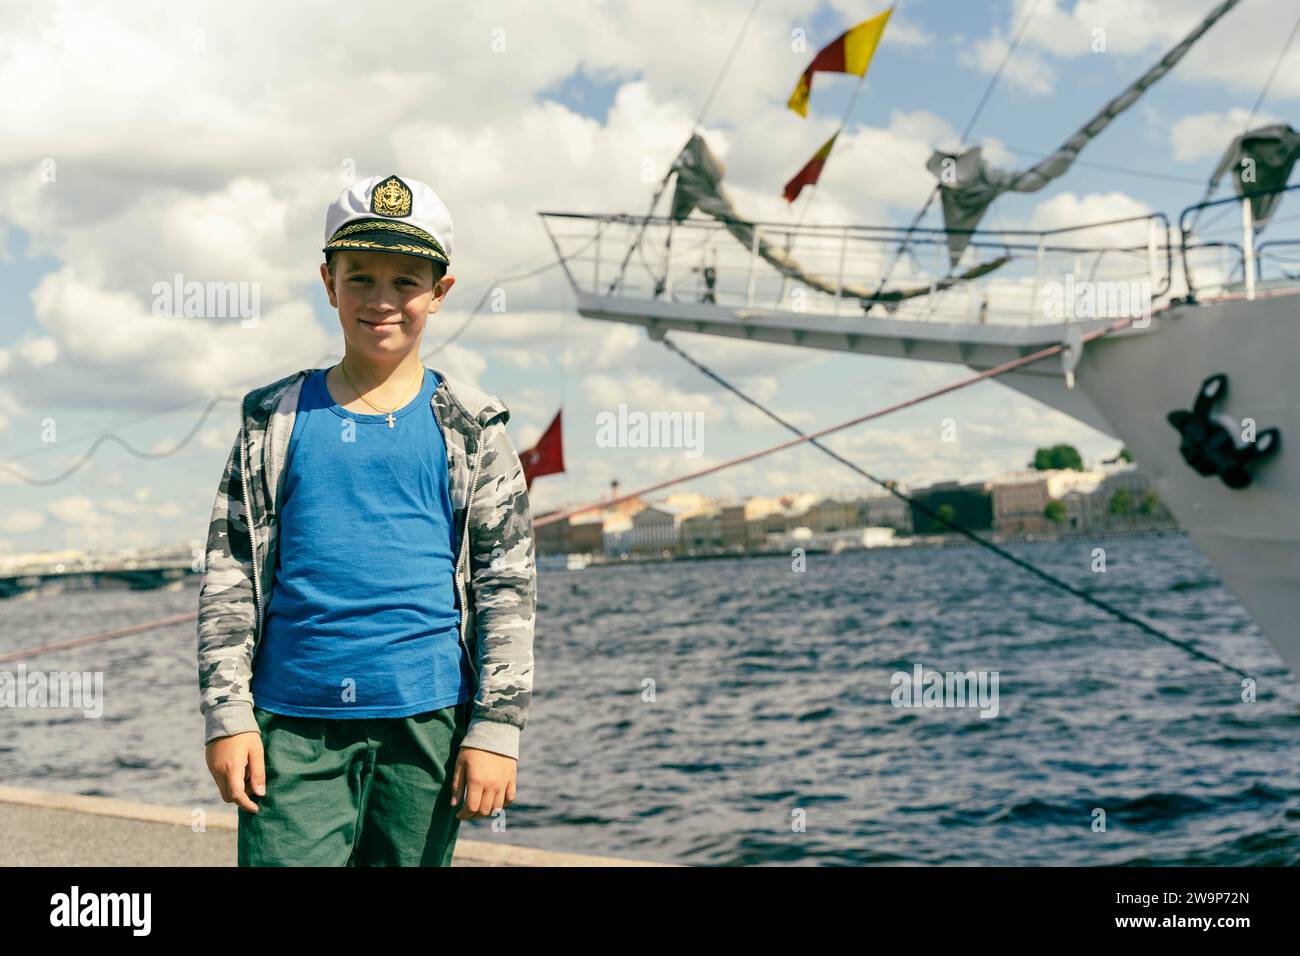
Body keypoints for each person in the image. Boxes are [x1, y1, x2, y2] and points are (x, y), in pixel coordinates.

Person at [196, 173, 536, 866]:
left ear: (439, 292)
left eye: (406, 281)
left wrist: (496, 727)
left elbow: (508, 585)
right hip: (292, 724)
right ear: (328, 283)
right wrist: (229, 715)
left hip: (428, 724)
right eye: (361, 279)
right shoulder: (275, 422)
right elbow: (228, 572)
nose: (383, 302)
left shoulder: (473, 431)